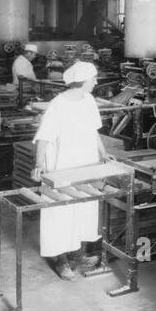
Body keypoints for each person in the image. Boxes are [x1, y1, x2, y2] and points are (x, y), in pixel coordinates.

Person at [32, 60, 107, 281]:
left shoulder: (89, 100)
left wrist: (103, 153)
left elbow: (94, 130)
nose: (95, 82)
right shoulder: (58, 104)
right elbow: (44, 138)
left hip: (85, 163)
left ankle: (77, 254)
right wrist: (38, 165)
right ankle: (61, 260)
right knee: (61, 210)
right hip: (62, 164)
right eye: (93, 78)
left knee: (84, 205)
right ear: (83, 81)